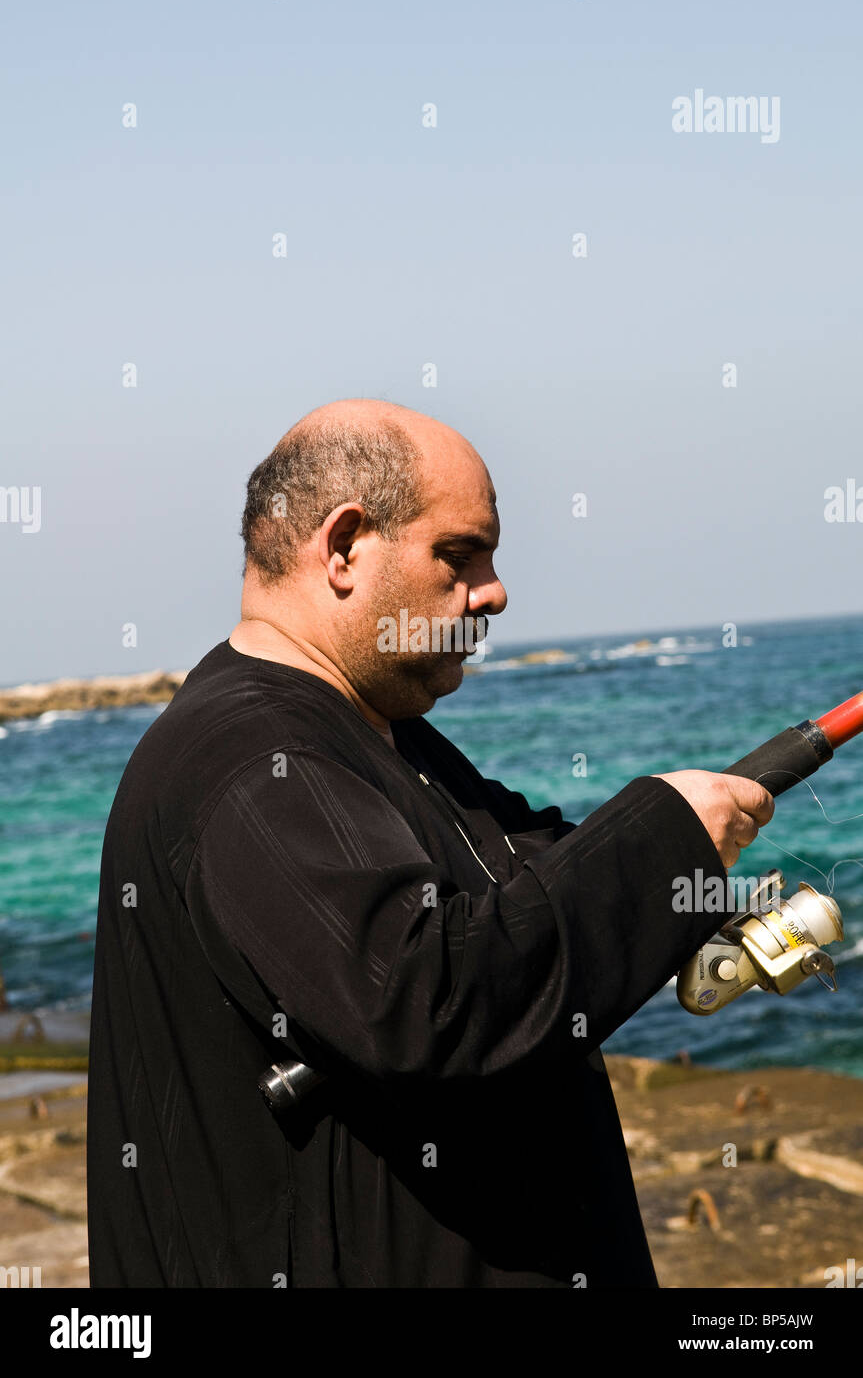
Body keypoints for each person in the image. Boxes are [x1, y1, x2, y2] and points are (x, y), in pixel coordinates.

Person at [86, 398, 774, 1288]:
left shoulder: (380, 732)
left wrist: (689, 905)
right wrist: (667, 834)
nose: (492, 591)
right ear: (342, 548)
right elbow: (423, 1005)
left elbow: (524, 884)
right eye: (459, 554)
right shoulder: (256, 761)